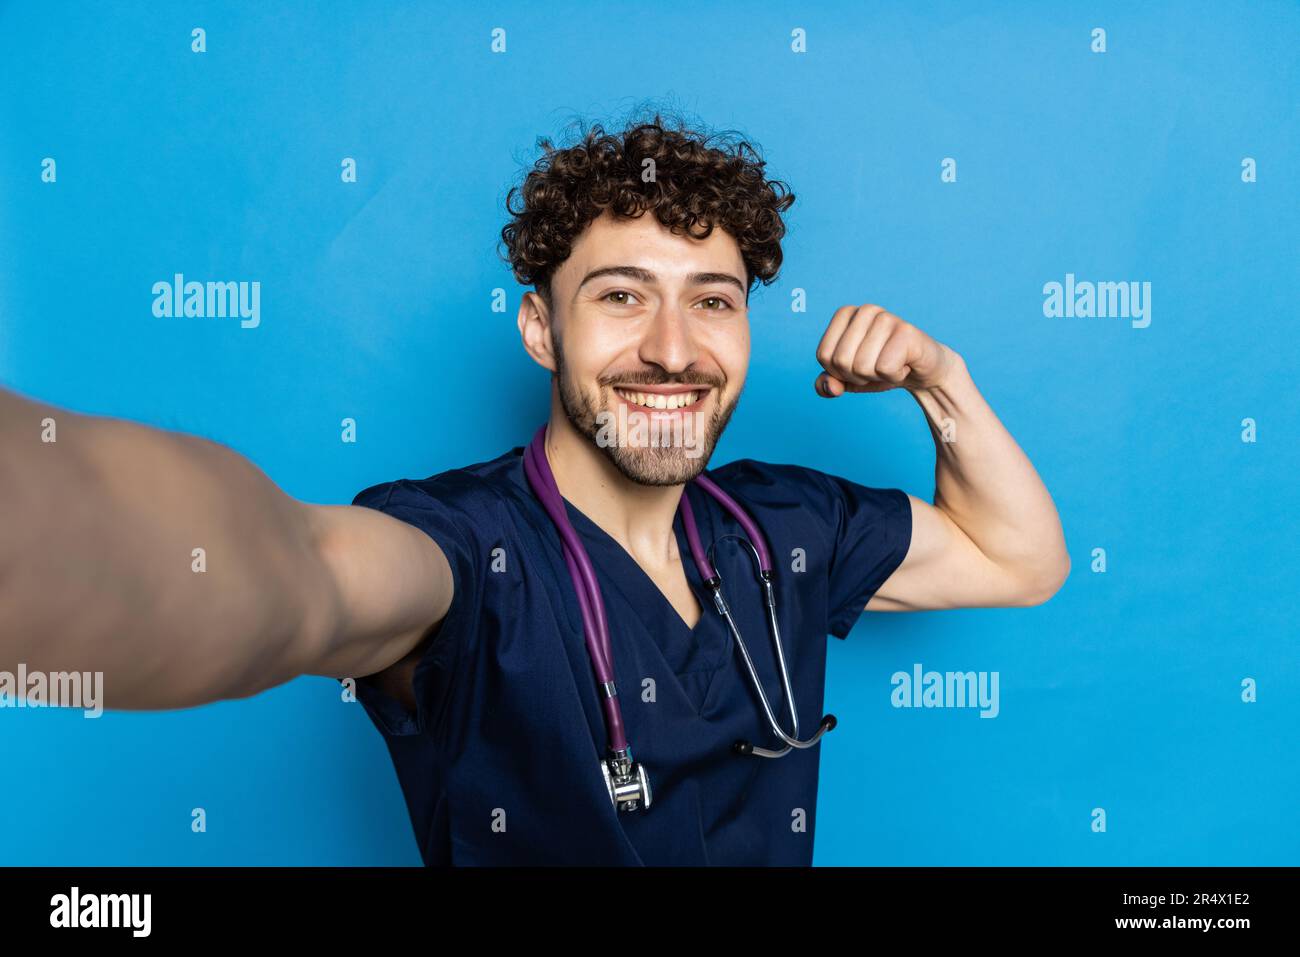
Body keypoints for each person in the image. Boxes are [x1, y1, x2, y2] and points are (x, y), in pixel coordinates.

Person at [0, 113, 1069, 866]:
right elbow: (292, 574)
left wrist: (942, 383)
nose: (671, 349)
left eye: (713, 301)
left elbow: (1020, 561)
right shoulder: (463, 549)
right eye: (619, 296)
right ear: (537, 327)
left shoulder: (782, 527)